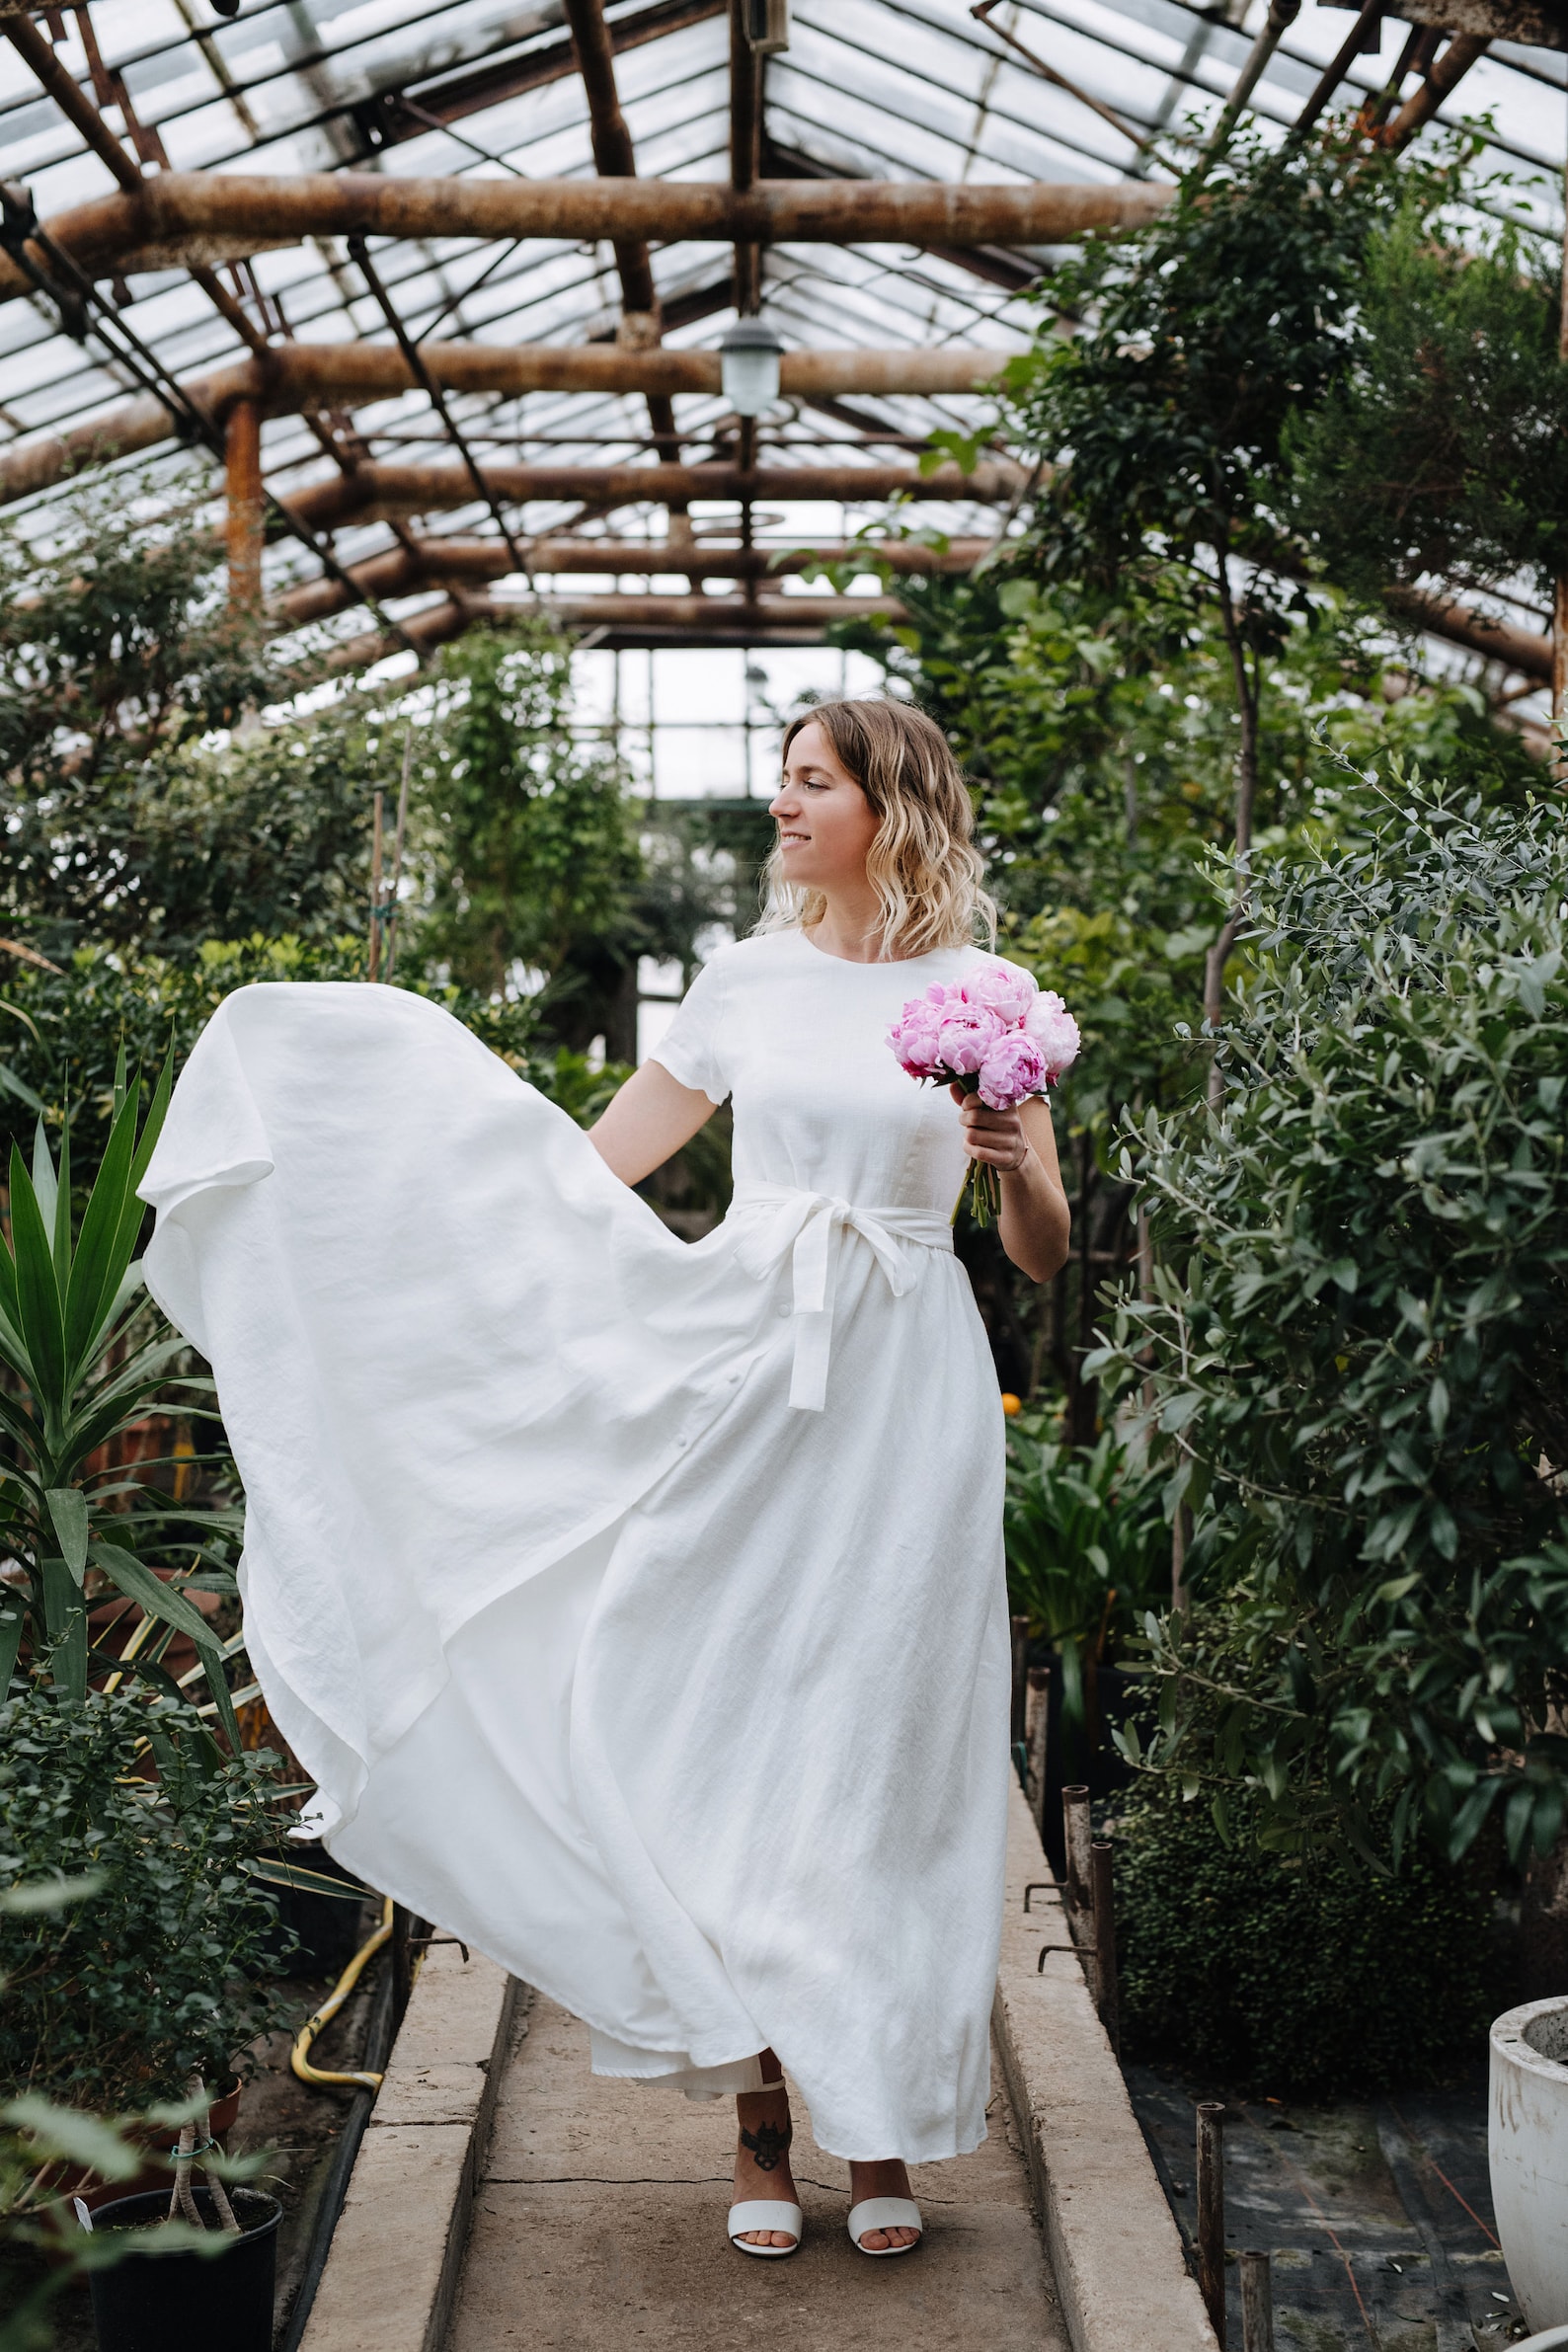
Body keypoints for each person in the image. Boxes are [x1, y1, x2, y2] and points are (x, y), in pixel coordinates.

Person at [138, 695, 1070, 2268]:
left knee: (886, 1753)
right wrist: (434, 1243)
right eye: (779, 777)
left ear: (890, 800)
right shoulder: (747, 983)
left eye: (811, 781)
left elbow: (1036, 1256)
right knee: (730, 1732)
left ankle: (886, 2121)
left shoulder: (988, 994)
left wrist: (1020, 1161)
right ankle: (761, 2119)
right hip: (746, 1362)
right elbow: (593, 1169)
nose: (781, 803)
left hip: (912, 1382)